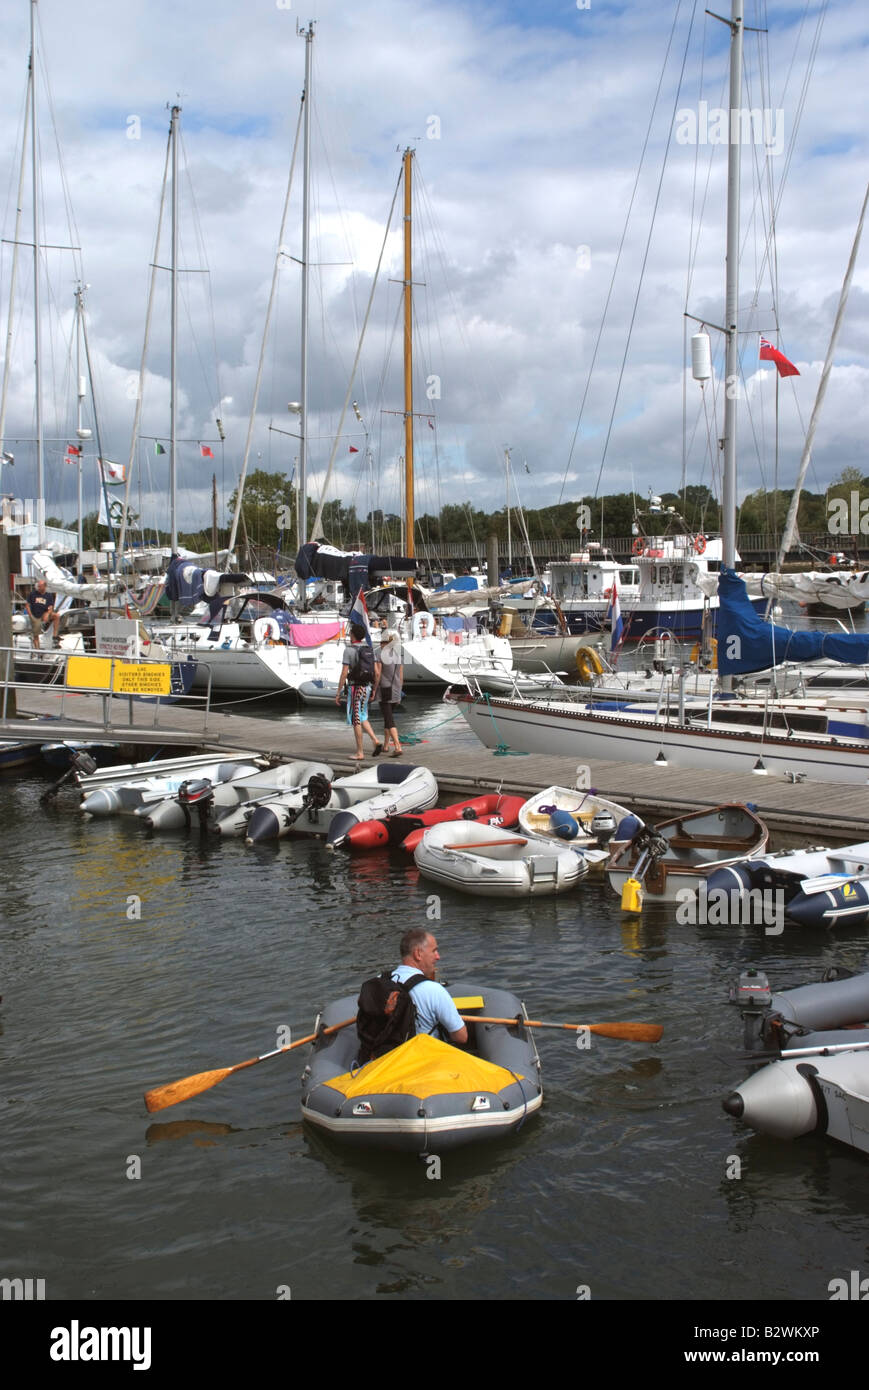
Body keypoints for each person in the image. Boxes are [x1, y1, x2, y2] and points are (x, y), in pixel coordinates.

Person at [391, 929, 468, 1046]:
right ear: (418, 954)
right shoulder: (433, 990)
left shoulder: (380, 980)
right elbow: (461, 1037)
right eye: (434, 951)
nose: (438, 957)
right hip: (420, 1059)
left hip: (386, 1058)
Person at [335, 622, 382, 760]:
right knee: (362, 716)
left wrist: (338, 692)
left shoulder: (349, 650)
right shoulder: (369, 649)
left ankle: (360, 752)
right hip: (366, 687)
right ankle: (375, 740)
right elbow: (377, 673)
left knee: (356, 720)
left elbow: (344, 673)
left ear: (353, 635)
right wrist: (374, 689)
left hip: (355, 688)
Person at [377, 629, 404, 755]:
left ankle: (398, 746)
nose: (380, 644)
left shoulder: (381, 655)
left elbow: (378, 674)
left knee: (389, 719)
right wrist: (399, 691)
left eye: (382, 642)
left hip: (384, 689)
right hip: (396, 690)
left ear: (385, 643)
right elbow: (401, 675)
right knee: (387, 718)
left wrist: (374, 689)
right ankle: (386, 745)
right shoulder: (398, 656)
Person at [26, 579, 60, 649]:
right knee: (36, 635)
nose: (38, 588)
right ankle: (37, 650)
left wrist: (48, 613)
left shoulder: (48, 595)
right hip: (35, 615)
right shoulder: (32, 594)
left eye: (40, 586)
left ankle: (55, 636)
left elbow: (51, 606)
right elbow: (27, 605)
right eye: (38, 586)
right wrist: (30, 615)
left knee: (56, 616)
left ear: (44, 587)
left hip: (44, 613)